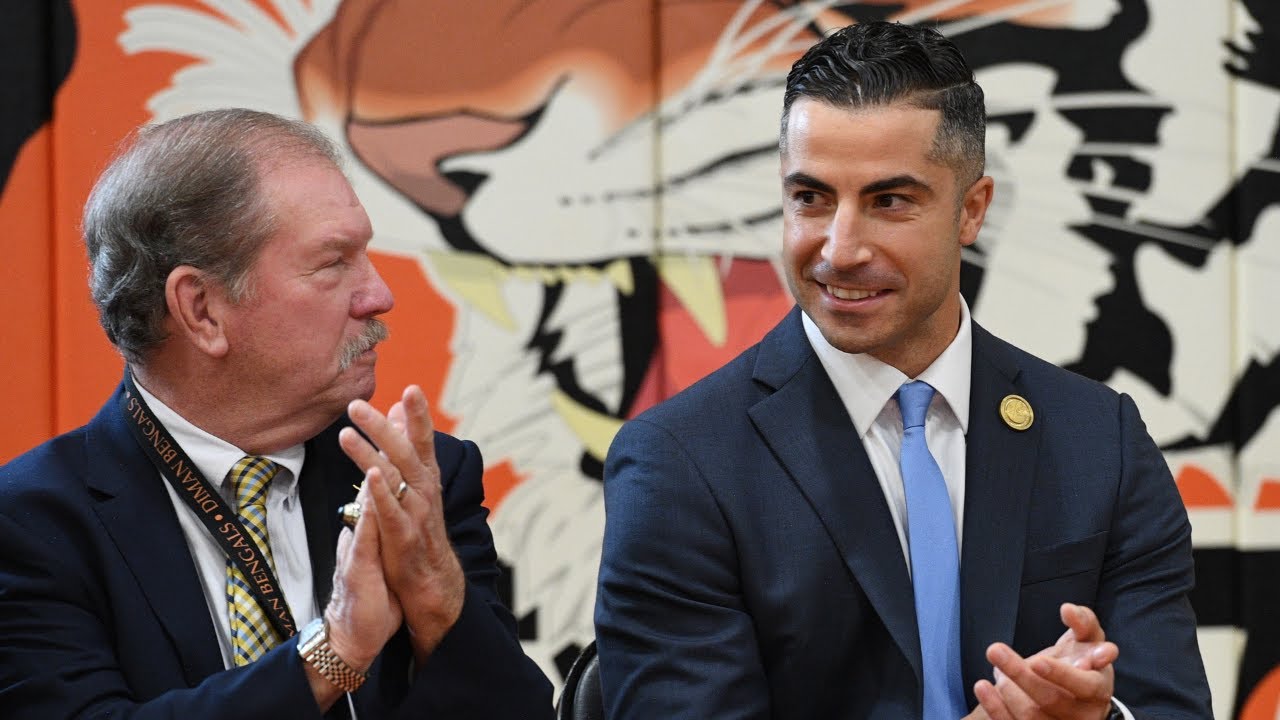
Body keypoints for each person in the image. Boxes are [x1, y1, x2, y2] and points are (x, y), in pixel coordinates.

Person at [594, 21, 1211, 720]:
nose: (840, 248)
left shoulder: (1103, 440)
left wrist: (1099, 718)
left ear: (971, 211)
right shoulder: (679, 464)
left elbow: (1170, 706)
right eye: (811, 198)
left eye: (889, 201)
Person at [0, 108, 554, 719]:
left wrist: (437, 598)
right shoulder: (32, 522)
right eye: (332, 263)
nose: (379, 296)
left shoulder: (415, 478)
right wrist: (334, 650)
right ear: (202, 309)